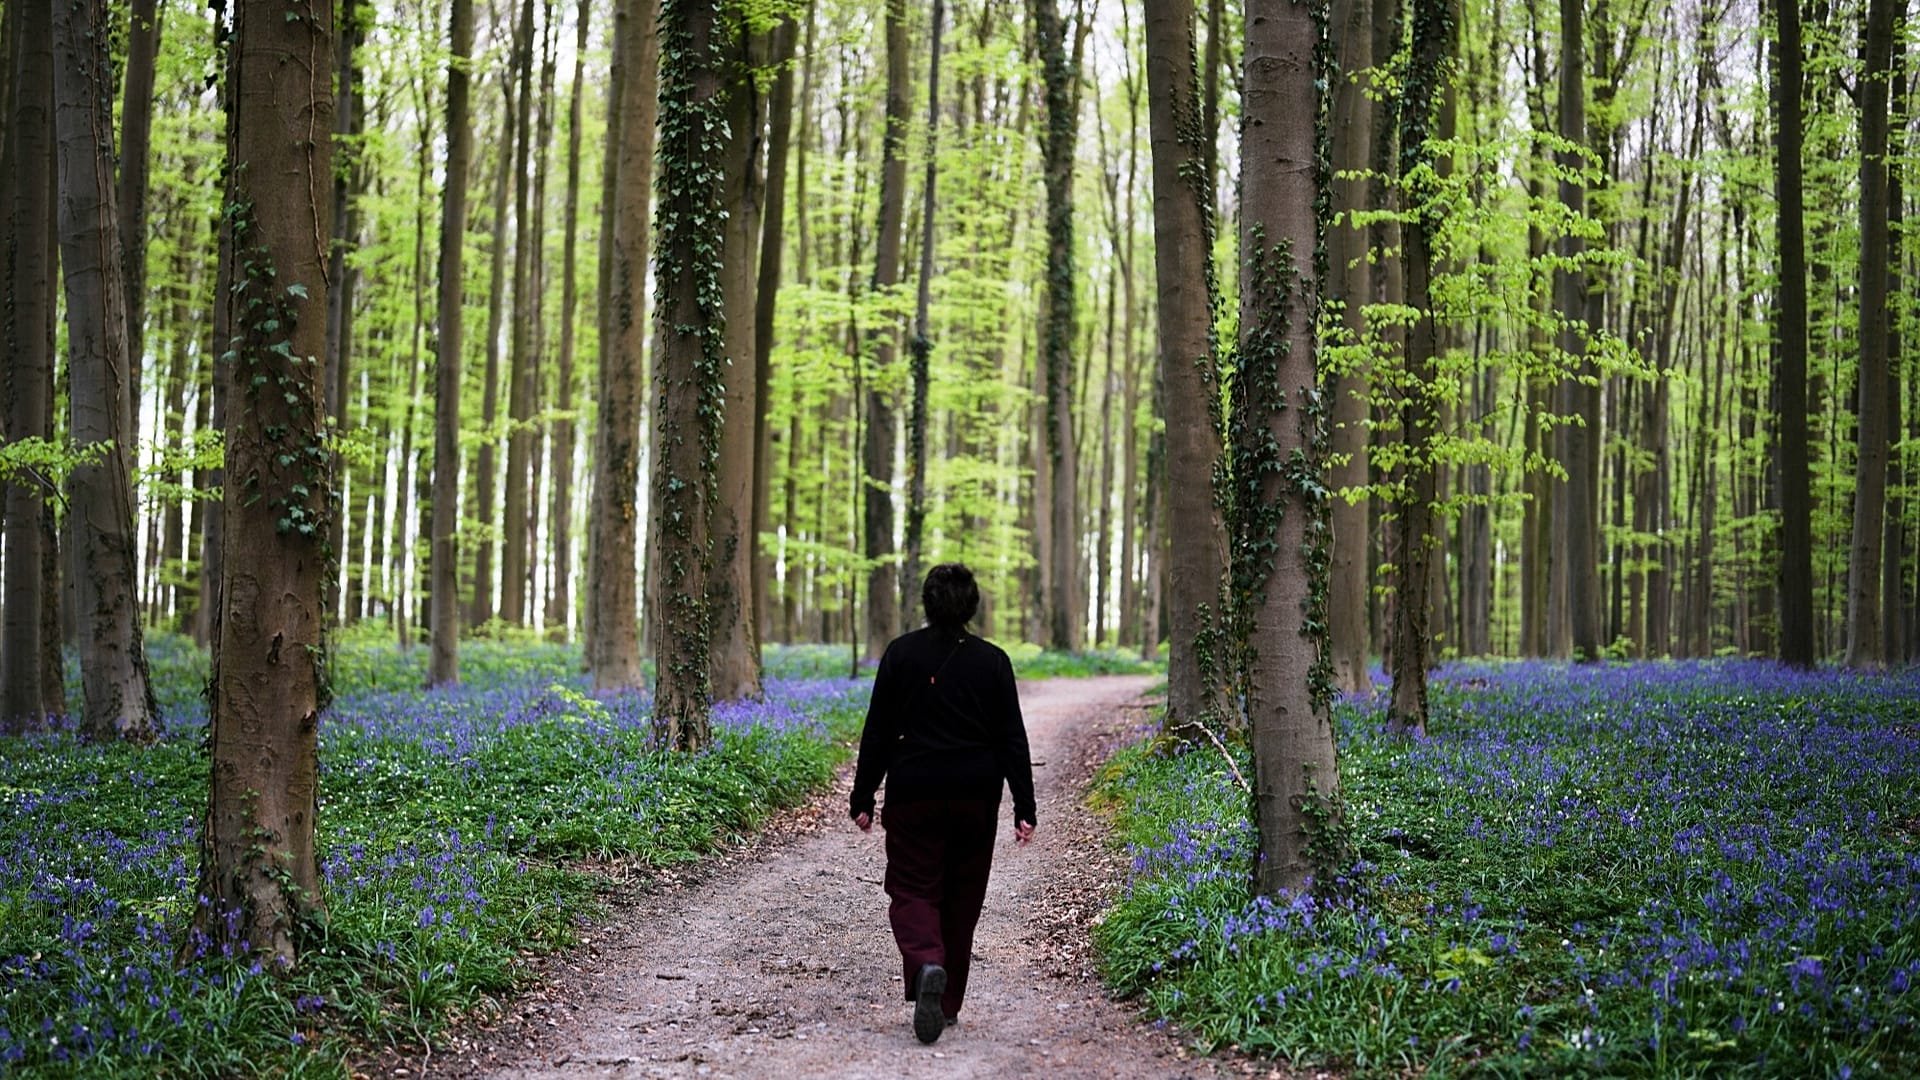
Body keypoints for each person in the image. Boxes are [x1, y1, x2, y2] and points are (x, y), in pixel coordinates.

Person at [850, 563, 1036, 1045]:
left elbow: (878, 732)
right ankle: (947, 1003)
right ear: (972, 606)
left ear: (928, 603)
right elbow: (1012, 738)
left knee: (912, 889)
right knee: (962, 897)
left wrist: (863, 794)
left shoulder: (899, 655)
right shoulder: (993, 661)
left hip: (914, 795)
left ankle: (927, 962)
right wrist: (1024, 806)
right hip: (976, 798)